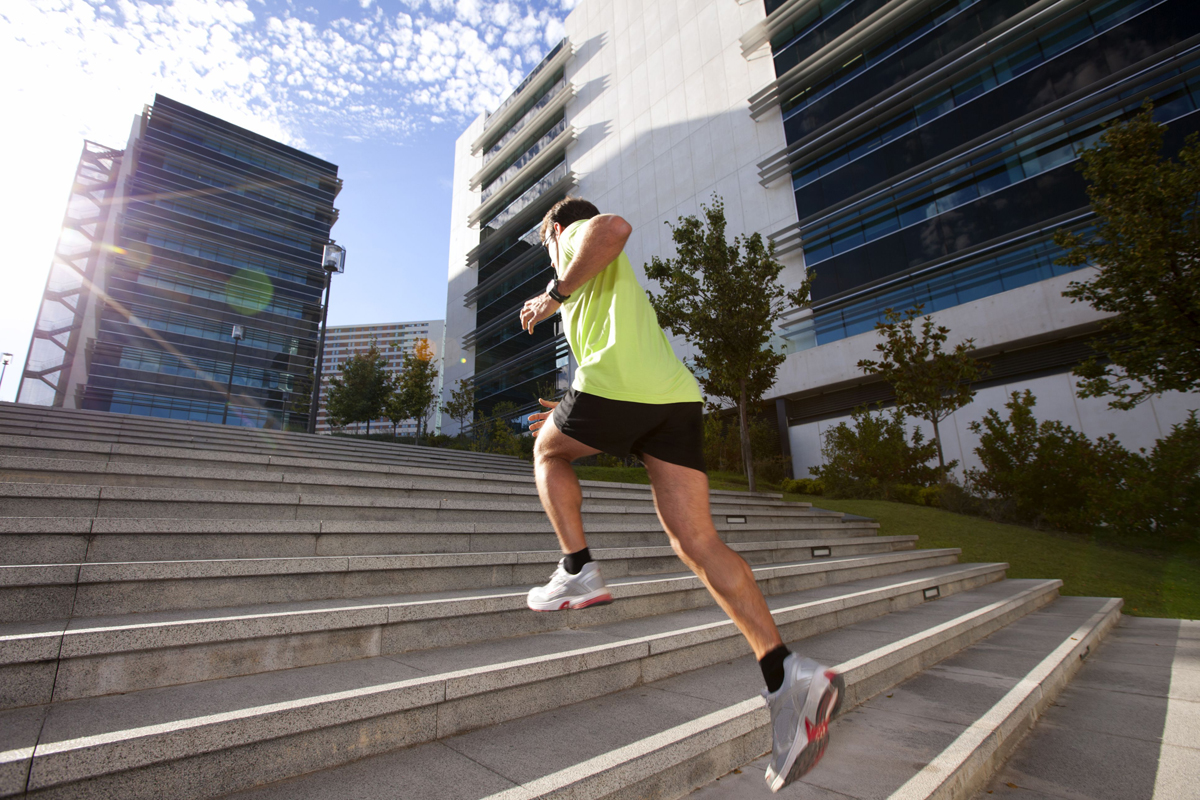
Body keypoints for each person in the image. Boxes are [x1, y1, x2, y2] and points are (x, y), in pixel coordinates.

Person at [518, 197, 843, 792]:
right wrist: (570, 409)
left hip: (620, 387)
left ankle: (577, 569)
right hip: (670, 398)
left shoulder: (573, 236)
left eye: (547, 240)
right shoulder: (593, 275)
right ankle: (786, 673)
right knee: (696, 539)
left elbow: (616, 226)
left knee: (546, 454)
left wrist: (553, 294)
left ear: (555, 228)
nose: (550, 253)